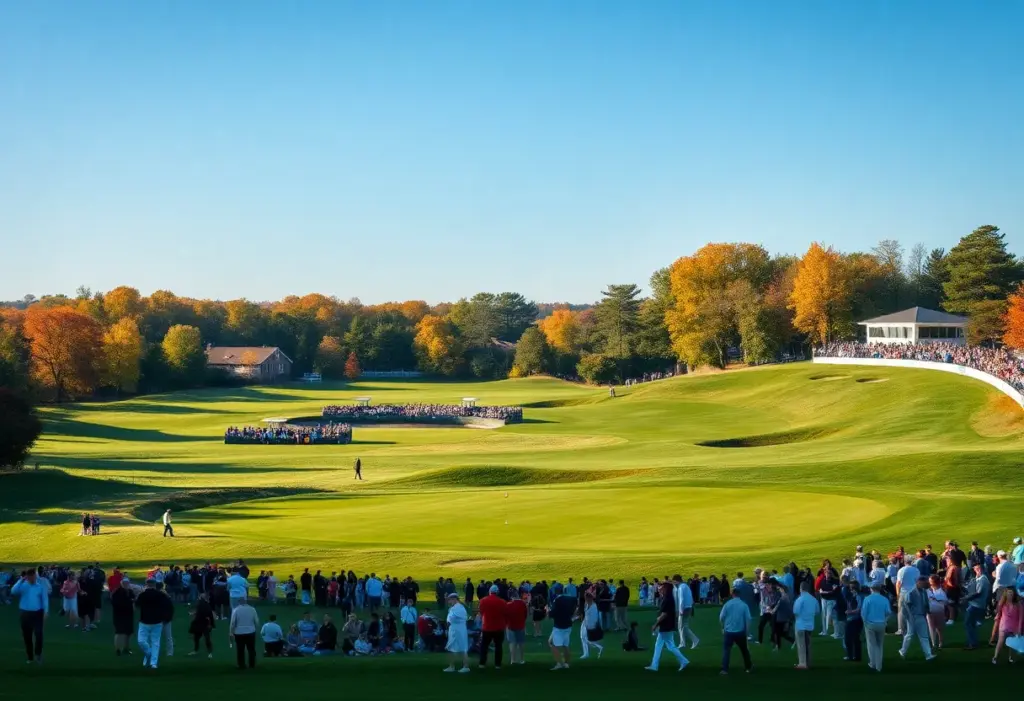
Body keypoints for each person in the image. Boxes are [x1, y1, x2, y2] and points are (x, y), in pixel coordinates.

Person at [645, 581, 689, 672]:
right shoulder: (668, 598)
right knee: (659, 645)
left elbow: (664, 614)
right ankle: (654, 665)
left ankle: (683, 660)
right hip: (667, 625)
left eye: (662, 587)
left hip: (666, 626)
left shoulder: (667, 599)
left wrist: (655, 624)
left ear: (666, 589)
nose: (660, 588)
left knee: (670, 646)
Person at [12, 568, 49, 664]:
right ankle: (30, 657)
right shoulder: (23, 586)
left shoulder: (40, 586)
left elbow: (45, 599)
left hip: (37, 613)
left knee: (39, 634)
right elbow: (13, 591)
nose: (32, 578)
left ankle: (38, 654)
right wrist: (21, 580)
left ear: (35, 576)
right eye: (29, 576)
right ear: (27, 577)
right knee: (27, 636)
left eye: (33, 576)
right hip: (25, 613)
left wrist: (46, 611)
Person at [899, 576, 936, 661]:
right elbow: (906, 606)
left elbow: (925, 603)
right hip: (913, 616)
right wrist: (909, 617)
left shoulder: (923, 591)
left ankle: (928, 654)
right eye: (923, 582)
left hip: (921, 616)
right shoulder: (911, 593)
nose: (924, 584)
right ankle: (903, 650)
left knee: (923, 636)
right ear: (918, 582)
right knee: (910, 635)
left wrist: (927, 611)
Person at [136, 578, 170, 670]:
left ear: (146, 584)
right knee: (155, 642)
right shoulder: (161, 595)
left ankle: (149, 655)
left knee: (141, 641)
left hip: (144, 621)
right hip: (157, 621)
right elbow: (167, 606)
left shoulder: (142, 595)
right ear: (155, 585)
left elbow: (137, 605)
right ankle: (153, 662)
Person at [720, 586, 753, 675]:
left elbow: (721, 617)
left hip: (729, 631)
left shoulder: (727, 604)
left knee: (727, 650)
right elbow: (748, 619)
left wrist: (723, 627)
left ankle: (724, 669)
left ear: (732, 594)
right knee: (744, 650)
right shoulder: (744, 605)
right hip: (740, 631)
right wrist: (747, 632)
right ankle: (748, 667)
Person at [861, 581, 891, 672]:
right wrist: (885, 621)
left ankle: (873, 663)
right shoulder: (884, 599)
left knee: (871, 644)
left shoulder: (868, 599)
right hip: (881, 624)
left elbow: (863, 613)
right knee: (879, 644)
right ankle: (879, 665)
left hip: (870, 623)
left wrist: (865, 622)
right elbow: (888, 612)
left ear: (871, 589)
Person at [964, 562, 991, 650]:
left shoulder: (983, 579)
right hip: (975, 604)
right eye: (975, 569)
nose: (977, 570)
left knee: (969, 624)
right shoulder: (978, 578)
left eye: (978, 568)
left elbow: (978, 593)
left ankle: (972, 643)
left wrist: (966, 598)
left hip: (976, 605)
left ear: (982, 569)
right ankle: (973, 642)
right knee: (971, 624)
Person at [478, 584, 506, 668]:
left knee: (484, 646)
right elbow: (505, 613)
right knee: (498, 646)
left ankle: (482, 663)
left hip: (487, 626)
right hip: (499, 627)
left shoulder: (483, 600)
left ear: (490, 592)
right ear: (497, 592)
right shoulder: (502, 602)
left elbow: (481, 612)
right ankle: (497, 664)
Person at [992, 589, 1024, 664]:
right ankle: (995, 657)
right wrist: (997, 617)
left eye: (1012, 593)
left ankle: (1011, 658)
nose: (1010, 595)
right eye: (1009, 593)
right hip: (1004, 625)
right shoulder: (1002, 603)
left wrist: (1019, 628)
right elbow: (998, 613)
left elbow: (1021, 618)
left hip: (1014, 626)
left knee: (1012, 643)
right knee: (1000, 641)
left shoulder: (1018, 604)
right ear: (1006, 594)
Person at [548, 587, 576, 670]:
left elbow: (553, 613)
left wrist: (548, 612)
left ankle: (559, 663)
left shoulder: (557, 601)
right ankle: (566, 663)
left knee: (553, 644)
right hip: (568, 624)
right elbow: (573, 609)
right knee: (565, 645)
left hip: (559, 626)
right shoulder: (570, 599)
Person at [792, 581, 817, 669]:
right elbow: (817, 611)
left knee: (801, 645)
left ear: (801, 589)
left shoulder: (800, 599)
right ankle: (808, 662)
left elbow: (795, 611)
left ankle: (802, 663)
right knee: (808, 644)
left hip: (800, 624)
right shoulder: (813, 599)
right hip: (810, 624)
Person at [443, 592, 470, 673]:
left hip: (458, 630)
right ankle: (452, 666)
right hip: (455, 630)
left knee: (462, 648)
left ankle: (465, 666)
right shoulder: (456, 607)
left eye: (450, 600)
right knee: (452, 648)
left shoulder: (457, 608)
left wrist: (446, 627)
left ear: (454, 599)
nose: (449, 602)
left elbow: (450, 619)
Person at [229, 599, 259, 669]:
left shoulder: (236, 610)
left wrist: (231, 632)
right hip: (251, 632)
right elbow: (257, 621)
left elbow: (233, 622)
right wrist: (255, 628)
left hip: (239, 632)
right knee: (251, 649)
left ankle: (241, 665)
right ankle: (252, 664)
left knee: (240, 649)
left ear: (239, 602)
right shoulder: (252, 609)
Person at [672, 574, 699, 650]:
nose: (674, 583)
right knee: (683, 626)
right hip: (689, 607)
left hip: (684, 609)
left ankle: (692, 640)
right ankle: (683, 643)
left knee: (681, 626)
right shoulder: (686, 586)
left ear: (677, 581)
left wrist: (680, 611)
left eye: (674, 581)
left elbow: (681, 600)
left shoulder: (680, 587)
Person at [111, 577, 135, 656]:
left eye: (127, 583)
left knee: (128, 632)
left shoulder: (130, 591)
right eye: (124, 583)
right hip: (119, 616)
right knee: (119, 632)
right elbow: (116, 604)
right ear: (121, 583)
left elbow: (133, 601)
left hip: (129, 615)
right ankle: (118, 649)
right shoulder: (117, 592)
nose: (126, 584)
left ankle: (126, 648)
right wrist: (129, 602)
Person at [841, 580, 863, 662]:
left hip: (855, 620)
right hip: (851, 619)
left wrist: (850, 612)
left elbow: (859, 609)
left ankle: (853, 656)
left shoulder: (858, 597)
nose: (851, 589)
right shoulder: (851, 596)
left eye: (852, 588)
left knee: (851, 638)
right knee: (852, 638)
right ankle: (853, 656)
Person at [188, 592, 215, 658]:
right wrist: (212, 624)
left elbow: (209, 615)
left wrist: (211, 624)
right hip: (202, 623)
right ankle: (208, 652)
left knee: (203, 638)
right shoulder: (205, 604)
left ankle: (206, 652)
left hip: (202, 624)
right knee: (202, 638)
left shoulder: (202, 604)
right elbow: (209, 615)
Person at [926, 575, 949, 650]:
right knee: (931, 628)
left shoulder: (941, 591)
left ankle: (941, 642)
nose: (930, 583)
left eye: (931, 581)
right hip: (930, 612)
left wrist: (935, 598)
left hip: (939, 611)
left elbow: (945, 602)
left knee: (939, 628)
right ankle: (934, 644)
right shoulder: (928, 591)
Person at [580, 591, 605, 660]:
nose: (586, 600)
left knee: (587, 639)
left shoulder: (594, 607)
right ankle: (586, 653)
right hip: (585, 623)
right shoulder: (587, 604)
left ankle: (598, 647)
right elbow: (586, 614)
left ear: (590, 598)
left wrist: (590, 626)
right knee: (582, 637)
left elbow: (594, 618)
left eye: (587, 598)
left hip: (590, 625)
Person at [506, 592, 528, 665]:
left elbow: (506, 615)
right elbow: (525, 615)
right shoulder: (523, 604)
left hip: (510, 626)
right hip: (520, 625)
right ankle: (521, 659)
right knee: (521, 643)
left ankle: (513, 660)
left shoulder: (508, 605)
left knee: (512, 643)